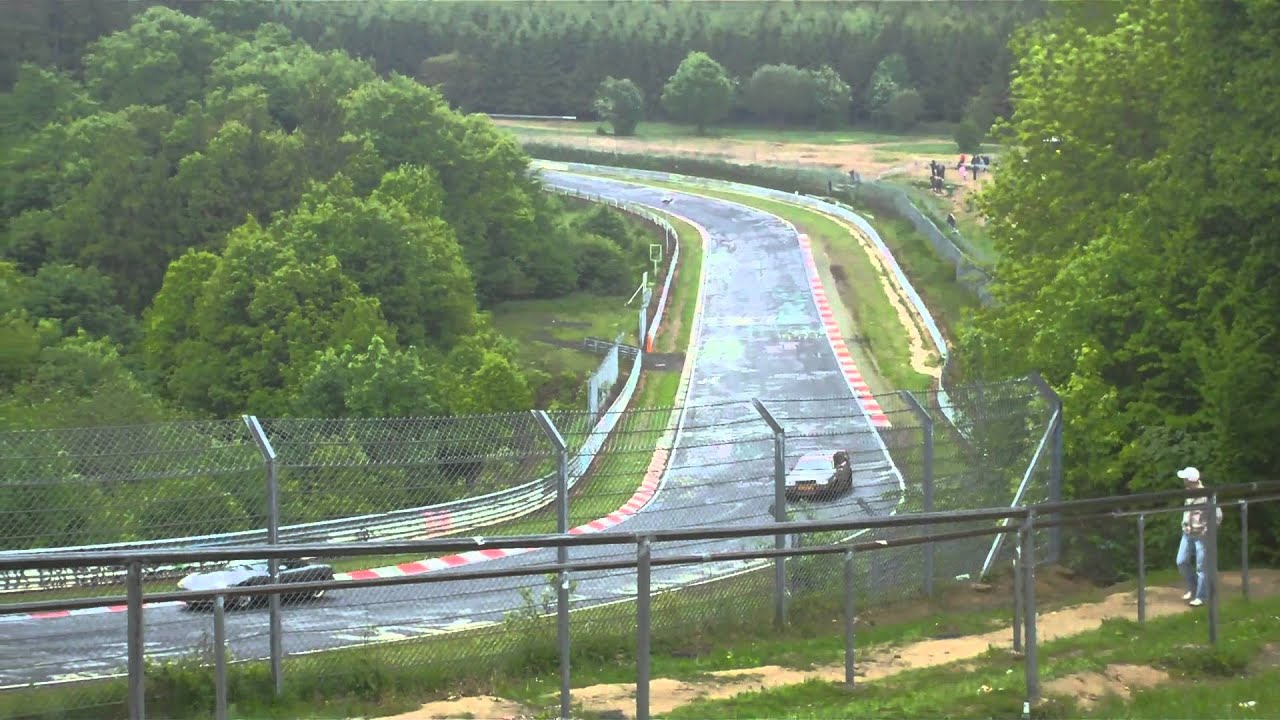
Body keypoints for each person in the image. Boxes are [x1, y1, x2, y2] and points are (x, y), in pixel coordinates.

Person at [1176, 466, 1222, 606]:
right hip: (1187, 533)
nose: (1183, 481)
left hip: (1202, 535)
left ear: (1189, 480)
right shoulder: (1188, 493)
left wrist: (1207, 530)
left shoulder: (1207, 495)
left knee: (1202, 567)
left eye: (1185, 478)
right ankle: (1193, 587)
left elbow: (1217, 516)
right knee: (1181, 561)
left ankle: (1202, 596)